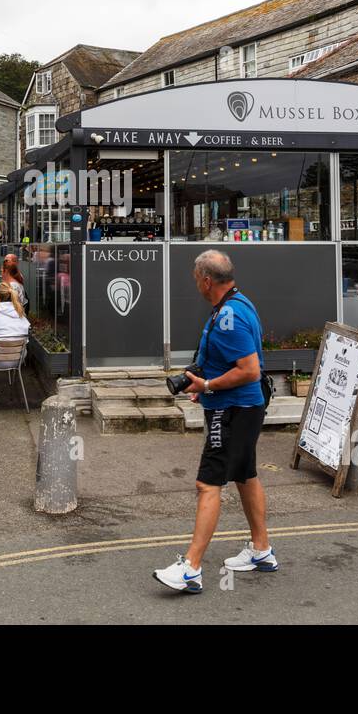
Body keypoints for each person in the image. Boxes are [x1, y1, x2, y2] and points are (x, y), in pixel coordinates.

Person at [154, 250, 274, 593]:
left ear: (207, 280)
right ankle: (262, 549)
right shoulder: (239, 303)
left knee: (208, 484)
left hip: (233, 409)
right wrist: (204, 385)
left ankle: (191, 568)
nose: (195, 284)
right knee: (245, 475)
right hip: (239, 407)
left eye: (195, 278)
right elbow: (233, 363)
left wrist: (207, 385)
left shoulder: (229, 317)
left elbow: (249, 371)